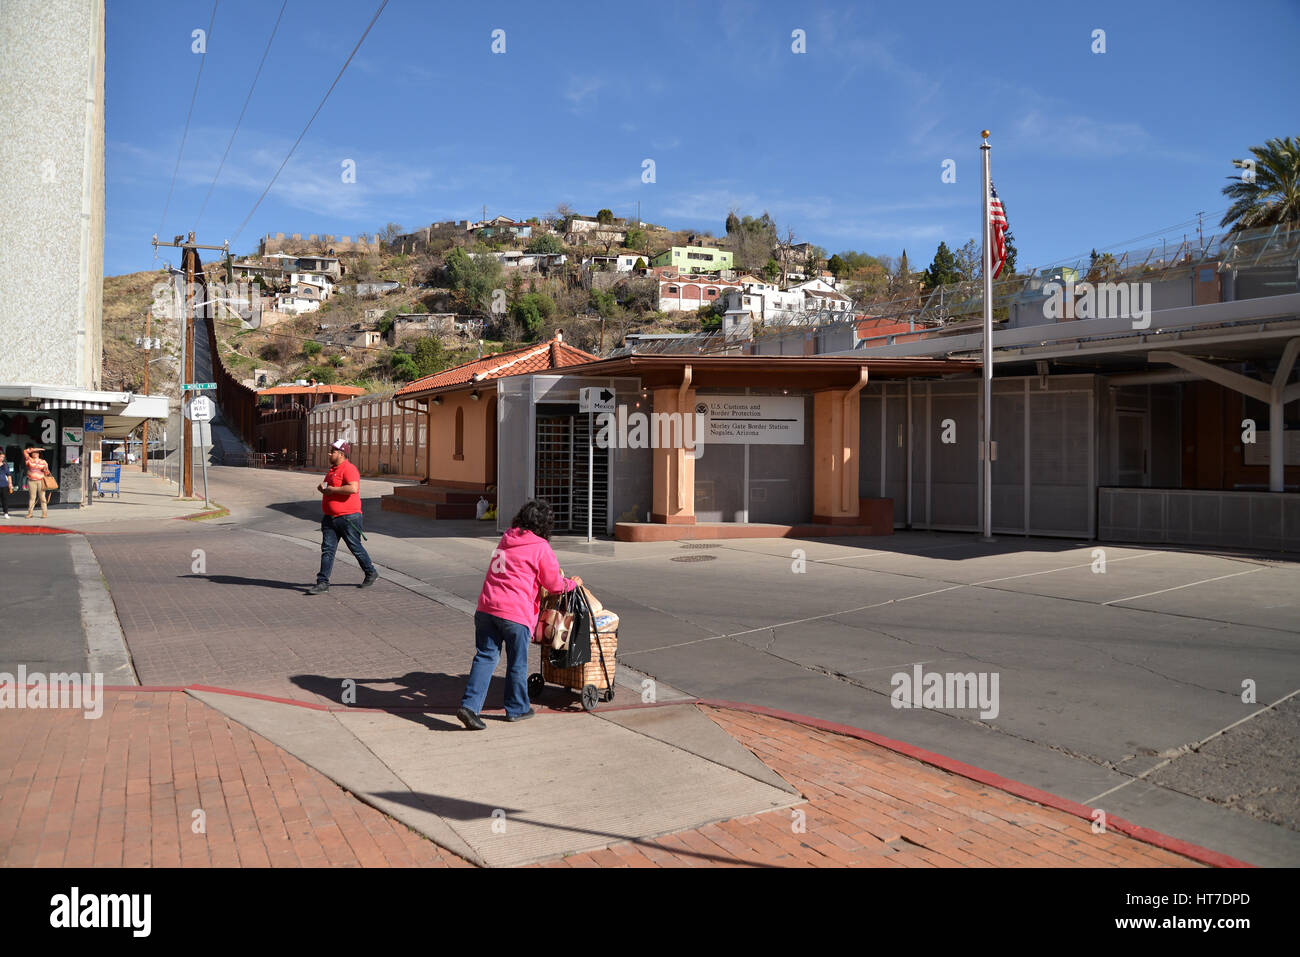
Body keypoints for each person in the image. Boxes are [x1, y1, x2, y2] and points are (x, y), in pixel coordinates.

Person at [457, 499, 582, 730]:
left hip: (487, 607)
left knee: (485, 657)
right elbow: (553, 584)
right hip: (515, 613)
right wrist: (571, 584)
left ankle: (470, 706)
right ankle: (517, 708)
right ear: (545, 525)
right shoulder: (540, 546)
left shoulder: (507, 537)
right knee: (517, 662)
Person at [306, 439, 378, 594]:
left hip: (348, 518)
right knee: (327, 549)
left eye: (332, 451)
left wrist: (332, 489)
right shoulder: (332, 470)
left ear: (341, 453)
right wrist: (322, 488)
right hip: (330, 518)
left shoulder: (349, 469)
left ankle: (371, 572)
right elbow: (327, 486)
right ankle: (322, 582)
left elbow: (353, 488)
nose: (329, 453)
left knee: (355, 547)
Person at [23, 446, 49, 519]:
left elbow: (47, 473)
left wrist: (46, 470)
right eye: (34, 452)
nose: (35, 453)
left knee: (42, 498)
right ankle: (30, 513)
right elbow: (25, 451)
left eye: (37, 452)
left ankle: (44, 513)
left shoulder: (43, 461)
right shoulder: (29, 460)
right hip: (31, 481)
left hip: (41, 481)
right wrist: (36, 449)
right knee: (32, 498)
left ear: (39, 454)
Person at [0, 450, 12, 519]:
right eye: (0, 456)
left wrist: (10, 483)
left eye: (3, 457)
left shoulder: (5, 465)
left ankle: (6, 513)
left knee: (5, 499)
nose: (1, 458)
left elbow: (9, 475)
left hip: (4, 485)